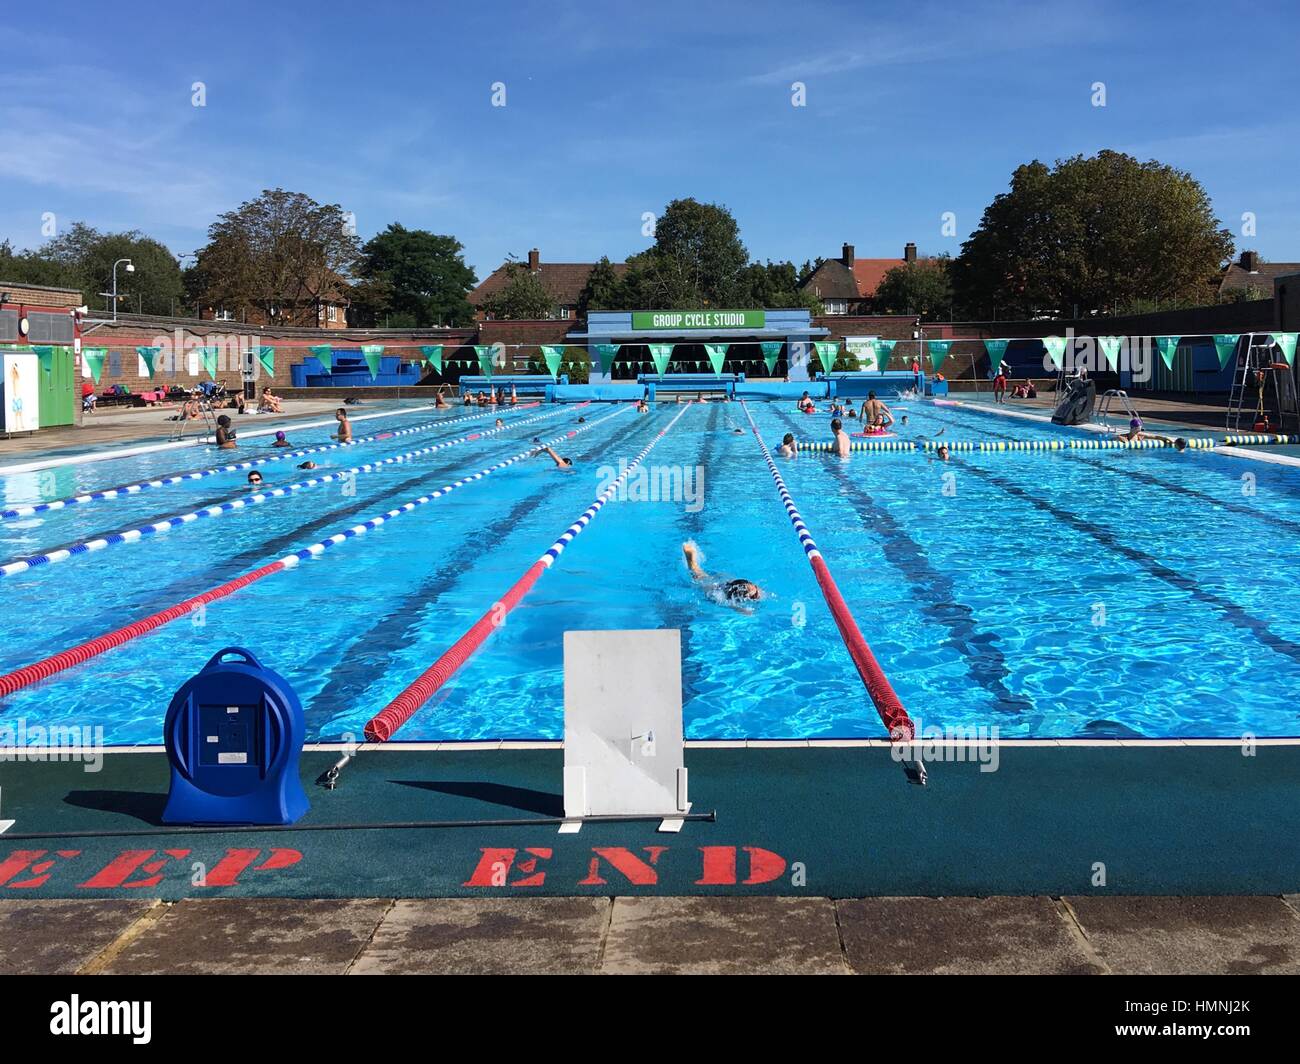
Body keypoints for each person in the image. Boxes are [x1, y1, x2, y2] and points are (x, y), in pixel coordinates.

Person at [682, 541, 762, 615]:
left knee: (703, 575)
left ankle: (693, 563)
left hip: (726, 583)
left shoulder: (746, 590)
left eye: (756, 587)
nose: (758, 591)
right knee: (698, 578)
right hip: (714, 589)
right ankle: (691, 561)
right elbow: (734, 607)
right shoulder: (724, 599)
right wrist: (745, 611)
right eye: (754, 594)